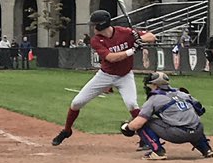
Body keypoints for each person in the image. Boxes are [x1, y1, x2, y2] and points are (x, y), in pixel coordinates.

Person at [51, 10, 157, 145]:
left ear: (102, 25)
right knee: (76, 103)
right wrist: (132, 50)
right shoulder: (96, 40)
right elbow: (111, 58)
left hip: (125, 75)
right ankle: (67, 130)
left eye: (94, 25)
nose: (92, 28)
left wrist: (139, 39)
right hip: (105, 76)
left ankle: (145, 136)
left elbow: (152, 36)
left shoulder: (124, 32)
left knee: (132, 104)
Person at [120, 73, 213, 159]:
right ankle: (206, 149)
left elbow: (137, 124)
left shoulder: (154, 99)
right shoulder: (182, 94)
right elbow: (200, 110)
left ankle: (158, 152)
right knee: (193, 122)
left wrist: (127, 127)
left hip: (178, 135)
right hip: (198, 132)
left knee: (144, 123)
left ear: (155, 85)